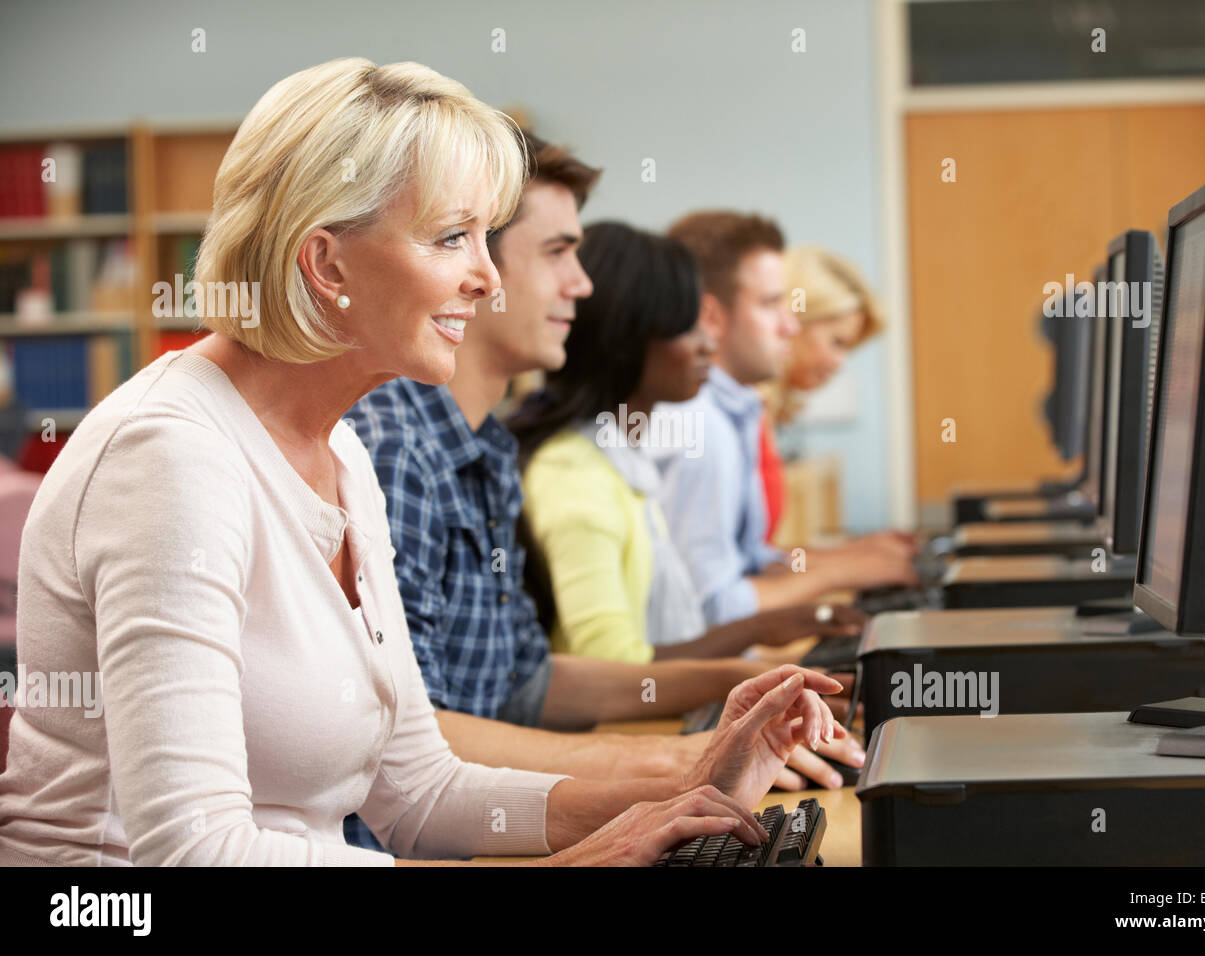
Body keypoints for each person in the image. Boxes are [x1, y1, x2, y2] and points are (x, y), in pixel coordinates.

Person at [0, 59, 845, 867]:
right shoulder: (170, 459)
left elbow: (416, 789)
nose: (484, 278)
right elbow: (194, 853)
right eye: (451, 238)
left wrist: (687, 787)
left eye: (486, 239)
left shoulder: (341, 449)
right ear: (326, 262)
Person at [348, 136, 863, 798]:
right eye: (559, 252)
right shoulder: (394, 450)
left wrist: (748, 688)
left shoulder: (488, 453)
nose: (581, 284)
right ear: (472, 267)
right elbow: (409, 738)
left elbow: (526, 683)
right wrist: (677, 763)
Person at [510, 221, 863, 673]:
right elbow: (614, 666)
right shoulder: (576, 471)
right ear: (629, 340)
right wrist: (754, 655)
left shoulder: (625, 458)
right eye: (687, 328)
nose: (707, 344)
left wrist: (764, 629)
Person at [656, 211, 919, 627]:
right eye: (771, 303)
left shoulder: (736, 412)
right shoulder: (703, 425)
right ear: (712, 316)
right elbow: (713, 607)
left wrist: (851, 558)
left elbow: (752, 560)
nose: (788, 324)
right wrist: (840, 570)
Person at [758, 244, 886, 539]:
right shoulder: (743, 410)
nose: (839, 364)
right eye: (837, 343)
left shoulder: (765, 412)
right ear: (795, 321)